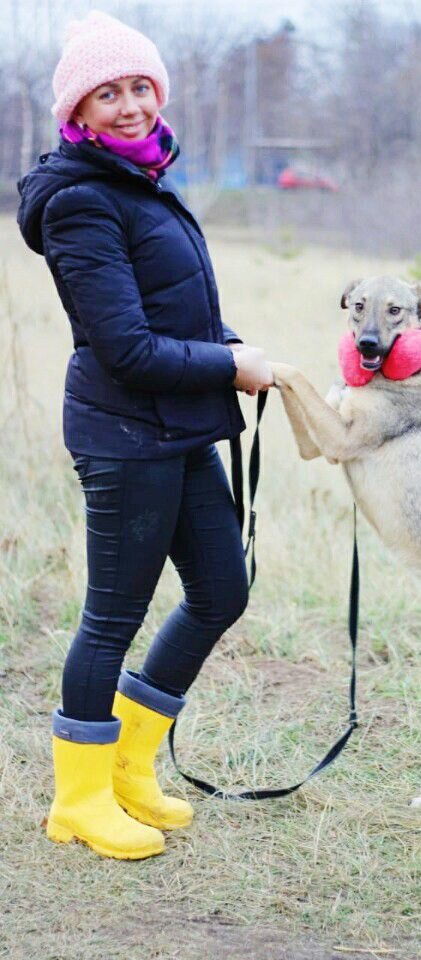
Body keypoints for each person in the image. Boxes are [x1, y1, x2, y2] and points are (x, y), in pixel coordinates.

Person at [17, 10, 273, 860]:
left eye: (139, 87)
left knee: (221, 591)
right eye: (108, 94)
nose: (130, 105)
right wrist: (228, 366)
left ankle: (128, 768)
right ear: (78, 111)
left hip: (177, 425)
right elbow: (124, 347)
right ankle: (79, 800)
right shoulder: (80, 202)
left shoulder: (140, 179)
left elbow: (172, 309)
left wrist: (231, 346)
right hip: (123, 434)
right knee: (111, 618)